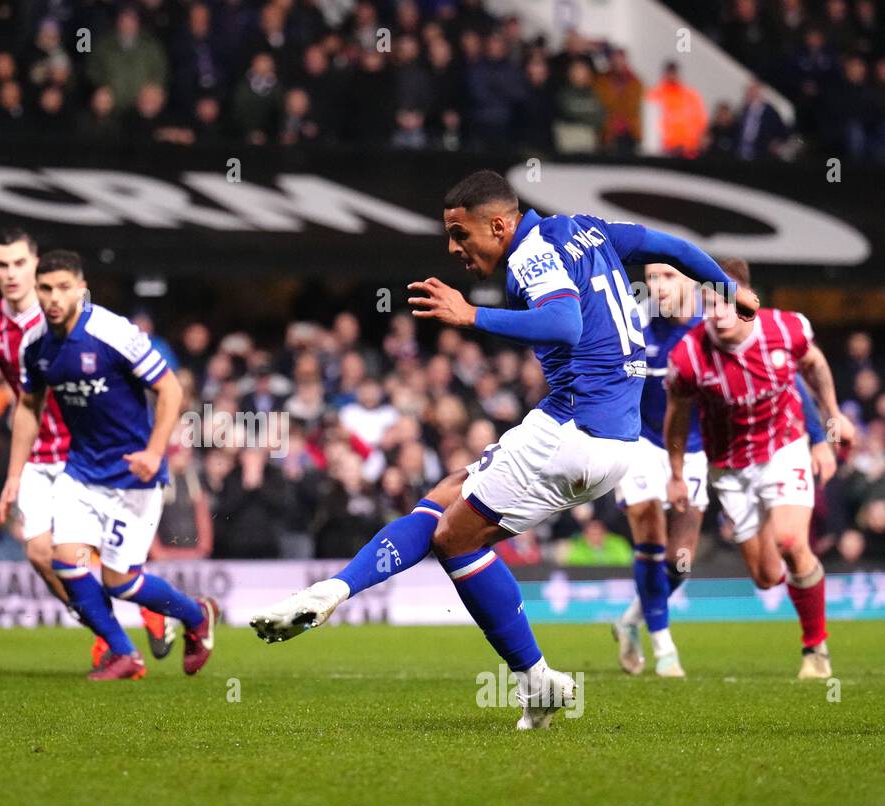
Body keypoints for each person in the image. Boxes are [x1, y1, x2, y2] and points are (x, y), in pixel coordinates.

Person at [250, 169, 757, 729]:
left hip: (572, 429)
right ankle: (523, 677)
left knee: (451, 534)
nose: (453, 249)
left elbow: (563, 323)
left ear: (498, 224)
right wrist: (731, 290)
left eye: (459, 234)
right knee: (450, 508)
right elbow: (674, 246)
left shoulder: (532, 252)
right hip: (615, 445)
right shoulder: (588, 230)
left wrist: (472, 315)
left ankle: (346, 596)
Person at [0, 228, 171, 665]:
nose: (12, 274)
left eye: (20, 264)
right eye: (2, 265)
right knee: (39, 553)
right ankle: (105, 631)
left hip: (80, 447)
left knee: (94, 552)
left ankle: (147, 605)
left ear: (35, 265)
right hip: (34, 451)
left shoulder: (63, 318)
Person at [0, 250, 217, 681]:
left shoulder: (114, 333)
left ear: (81, 288)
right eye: (45, 288)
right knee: (67, 563)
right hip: (80, 470)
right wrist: (14, 475)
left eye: (63, 288)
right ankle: (124, 654)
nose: (54, 298)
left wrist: (155, 452)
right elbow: (28, 406)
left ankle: (196, 615)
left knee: (122, 582)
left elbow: (170, 390)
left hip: (132, 473)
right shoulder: (34, 344)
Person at [665, 258, 854, 679]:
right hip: (730, 471)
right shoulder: (689, 355)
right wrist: (676, 473)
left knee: (790, 540)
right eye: (709, 303)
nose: (718, 313)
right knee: (768, 577)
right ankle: (785, 544)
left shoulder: (786, 328)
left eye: (727, 302)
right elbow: (676, 415)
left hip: (784, 448)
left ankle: (815, 651)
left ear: (749, 300)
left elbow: (816, 366)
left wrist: (831, 418)